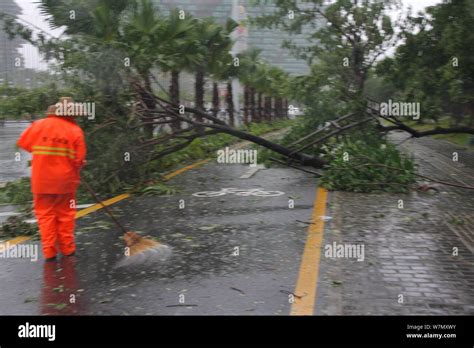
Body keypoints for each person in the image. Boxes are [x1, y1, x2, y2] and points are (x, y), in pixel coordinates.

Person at [17, 97, 87, 261]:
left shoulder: (39, 125)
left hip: (41, 181)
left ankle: (49, 252)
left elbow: (25, 144)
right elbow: (79, 160)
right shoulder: (75, 130)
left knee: (45, 216)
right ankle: (68, 249)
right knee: (65, 215)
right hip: (65, 182)